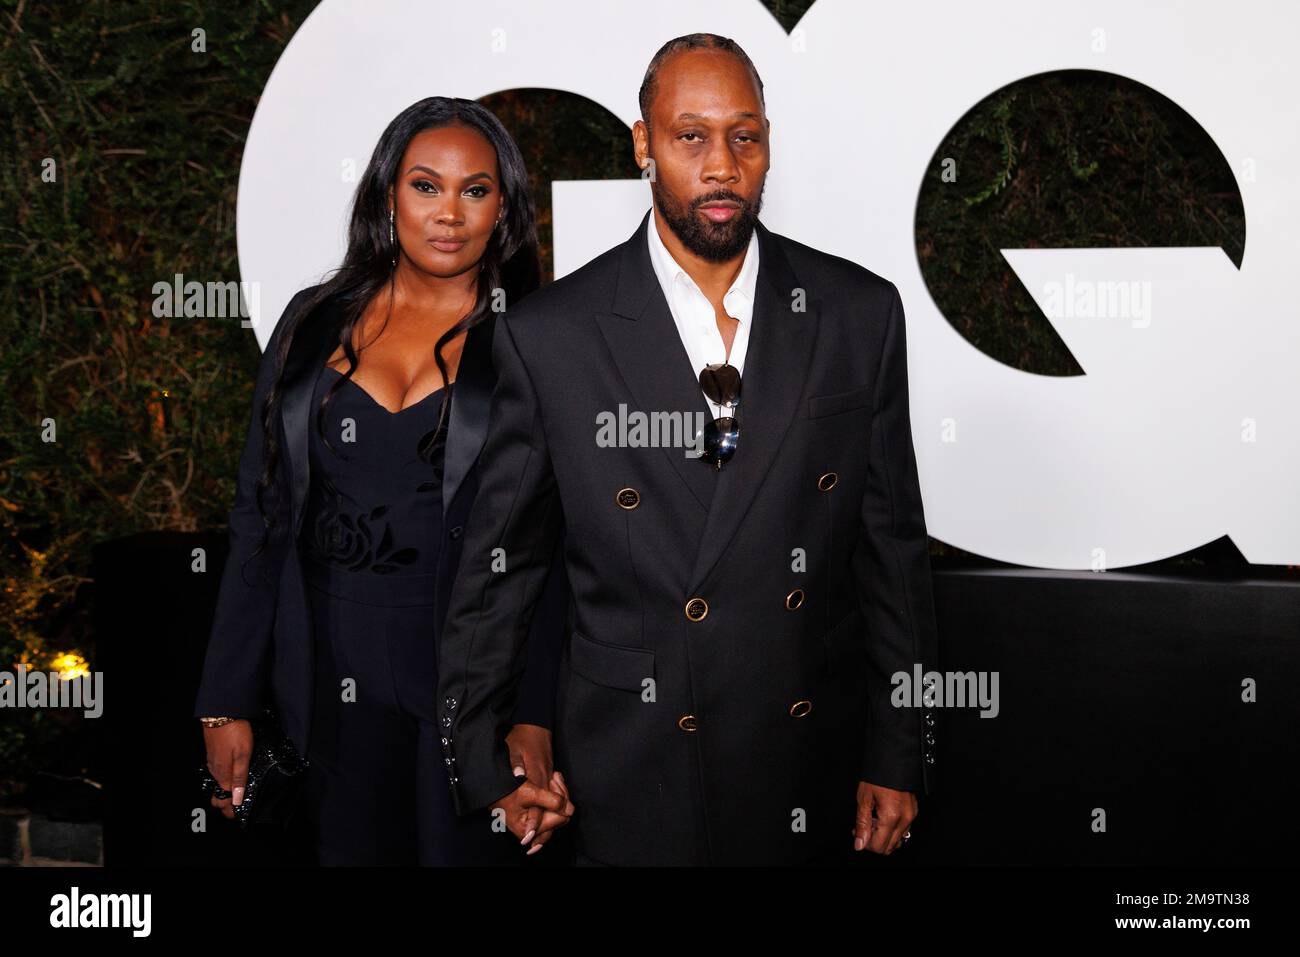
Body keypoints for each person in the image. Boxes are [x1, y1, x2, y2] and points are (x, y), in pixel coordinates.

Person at [435, 35, 940, 866]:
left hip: (806, 757)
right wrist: (482, 753)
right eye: (690, 136)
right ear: (644, 145)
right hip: (631, 762)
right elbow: (502, 567)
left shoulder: (858, 313)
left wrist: (901, 750)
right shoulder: (551, 336)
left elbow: (892, 553)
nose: (721, 165)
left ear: (769, 142)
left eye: (745, 136)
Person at [193, 96, 573, 865]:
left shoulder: (534, 342)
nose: (450, 212)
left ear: (503, 208)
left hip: (467, 680)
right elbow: (258, 516)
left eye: (476, 190)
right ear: (386, 195)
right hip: (324, 671)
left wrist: (533, 713)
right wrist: (223, 699)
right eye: (425, 185)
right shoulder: (313, 321)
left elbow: (556, 548)